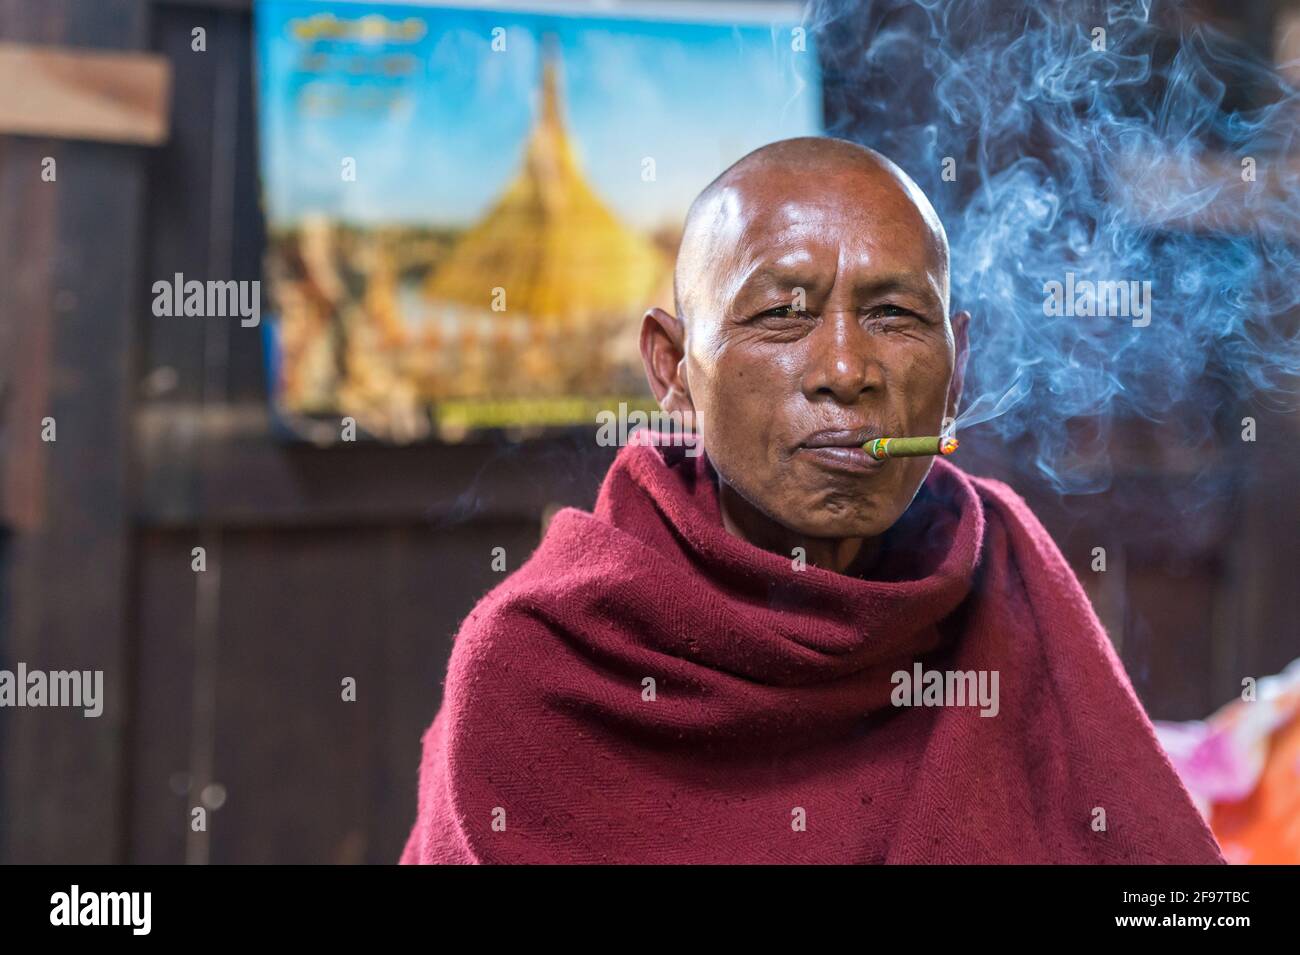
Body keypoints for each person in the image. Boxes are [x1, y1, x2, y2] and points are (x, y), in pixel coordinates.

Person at [400, 136, 1224, 864]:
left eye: (895, 314)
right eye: (783, 316)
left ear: (956, 370)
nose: (845, 369)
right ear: (674, 371)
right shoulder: (547, 661)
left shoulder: (1000, 569)